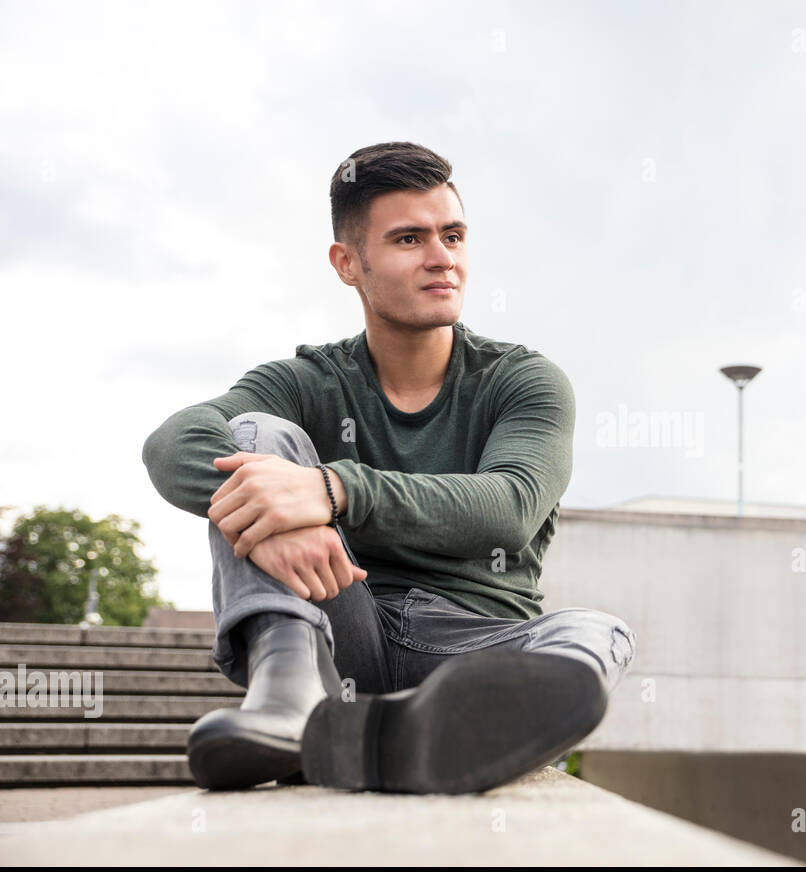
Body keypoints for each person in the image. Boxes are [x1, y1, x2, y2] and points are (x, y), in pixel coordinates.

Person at [141, 142, 636, 793]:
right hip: (342, 624)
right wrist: (287, 521)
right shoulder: (313, 380)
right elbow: (173, 442)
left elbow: (509, 507)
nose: (441, 258)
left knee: (597, 634)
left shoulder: (525, 382)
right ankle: (289, 699)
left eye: (452, 235)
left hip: (468, 649)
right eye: (409, 238)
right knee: (256, 436)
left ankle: (433, 732)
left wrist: (333, 490)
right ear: (348, 263)